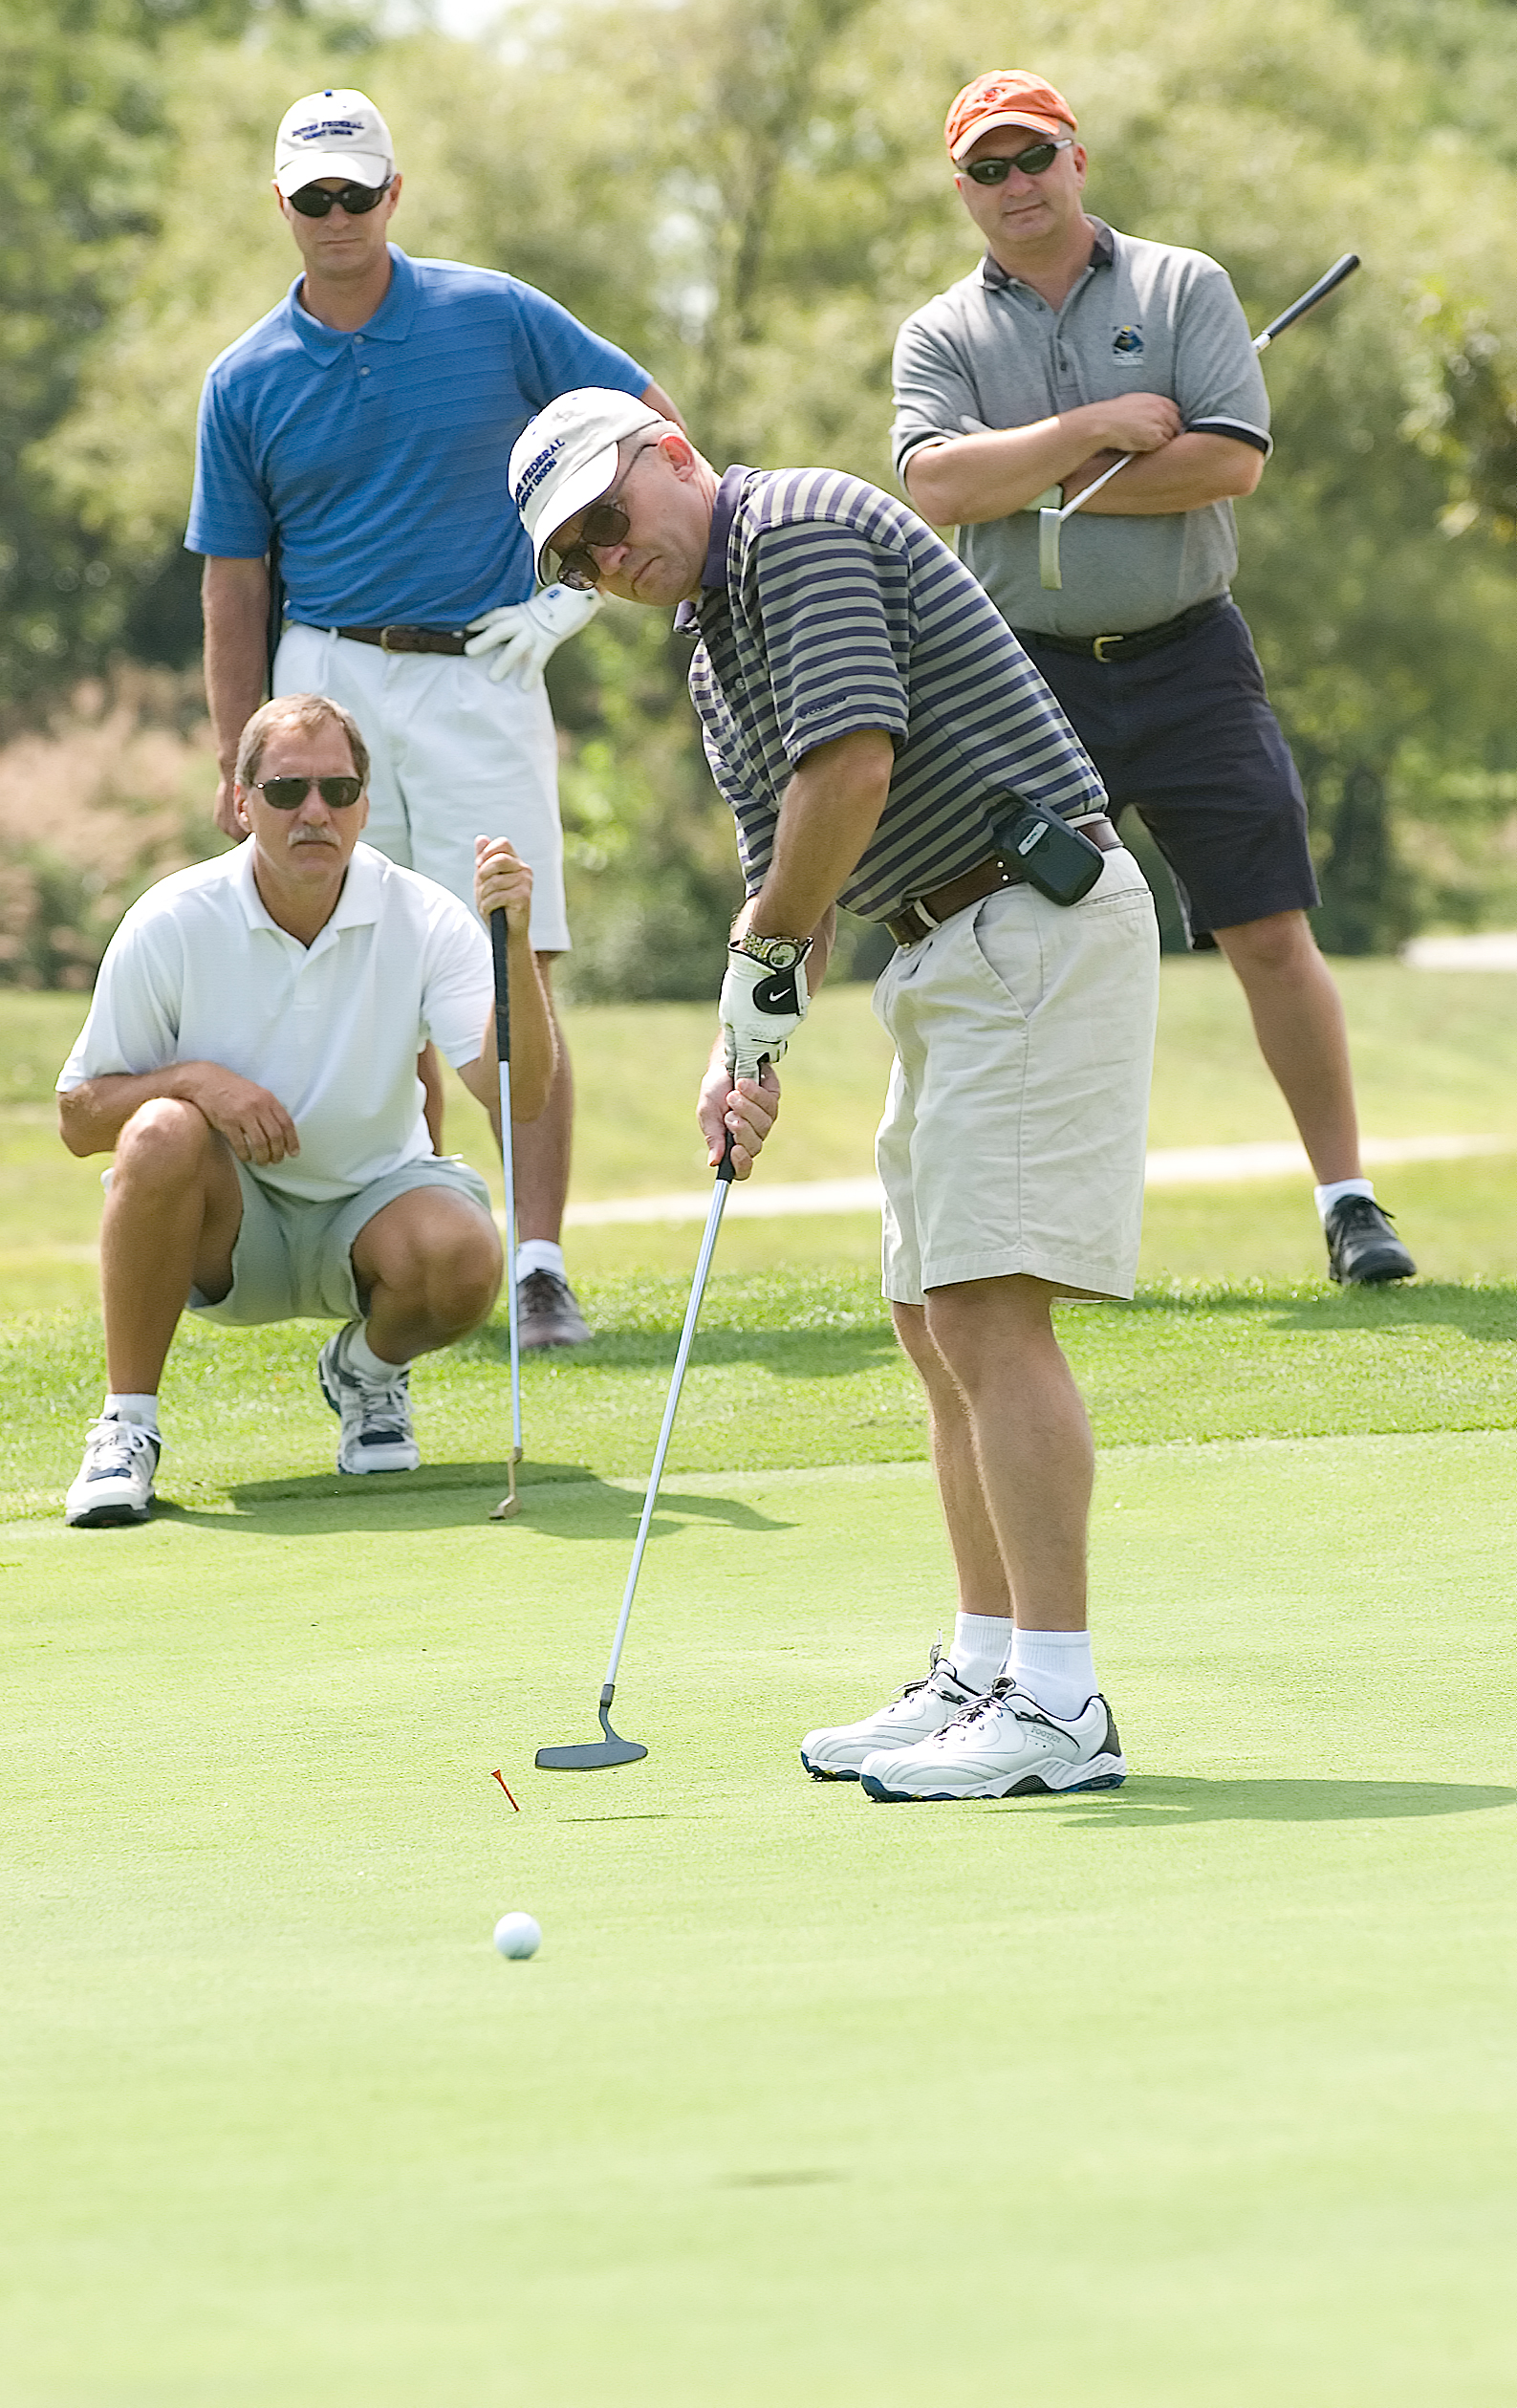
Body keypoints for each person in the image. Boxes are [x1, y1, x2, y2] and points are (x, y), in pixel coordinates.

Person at [507, 386, 1161, 1802]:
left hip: (1029, 914)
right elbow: (778, 875)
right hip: (944, 947)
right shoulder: (706, 639)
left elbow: (848, 772)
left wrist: (760, 981)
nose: (607, 560)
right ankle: (987, 1663)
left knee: (987, 1301)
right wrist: (740, 1049)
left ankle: (1057, 1697)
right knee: (929, 1316)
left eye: (608, 519)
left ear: (670, 456)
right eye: (574, 558)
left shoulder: (794, 527)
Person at [891, 70, 1416, 1289]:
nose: (1015, 186)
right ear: (962, 188)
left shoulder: (1184, 287)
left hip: (1190, 653)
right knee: (995, 933)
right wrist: (1094, 430)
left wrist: (1027, 483)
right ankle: (994, 1229)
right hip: (1015, 675)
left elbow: (1227, 465)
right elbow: (937, 491)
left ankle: (1349, 1202)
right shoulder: (941, 333)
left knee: (1268, 927)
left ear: (1078, 159)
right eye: (987, 168)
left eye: (1034, 159)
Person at [185, 87, 684, 1348]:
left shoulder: (494, 311)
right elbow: (233, 583)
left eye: (358, 193)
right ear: (284, 207)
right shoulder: (242, 379)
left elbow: (650, 430)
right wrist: (237, 758)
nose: (338, 215)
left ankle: (534, 1264)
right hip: (325, 684)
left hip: (484, 670)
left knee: (512, 956)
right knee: (369, 958)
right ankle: (412, 1235)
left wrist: (578, 596)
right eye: (315, 198)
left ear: (393, 194)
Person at [56, 692, 553, 1528]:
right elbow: (78, 1118)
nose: (314, 812)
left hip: (373, 1209)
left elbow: (520, 1090)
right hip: (227, 1224)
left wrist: (515, 945)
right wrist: (200, 1083)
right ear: (242, 802)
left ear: (364, 801)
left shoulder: (426, 916)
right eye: (286, 791)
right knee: (160, 1127)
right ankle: (125, 1428)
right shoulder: (173, 920)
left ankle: (364, 1369)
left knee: (463, 1253)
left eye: (338, 789)